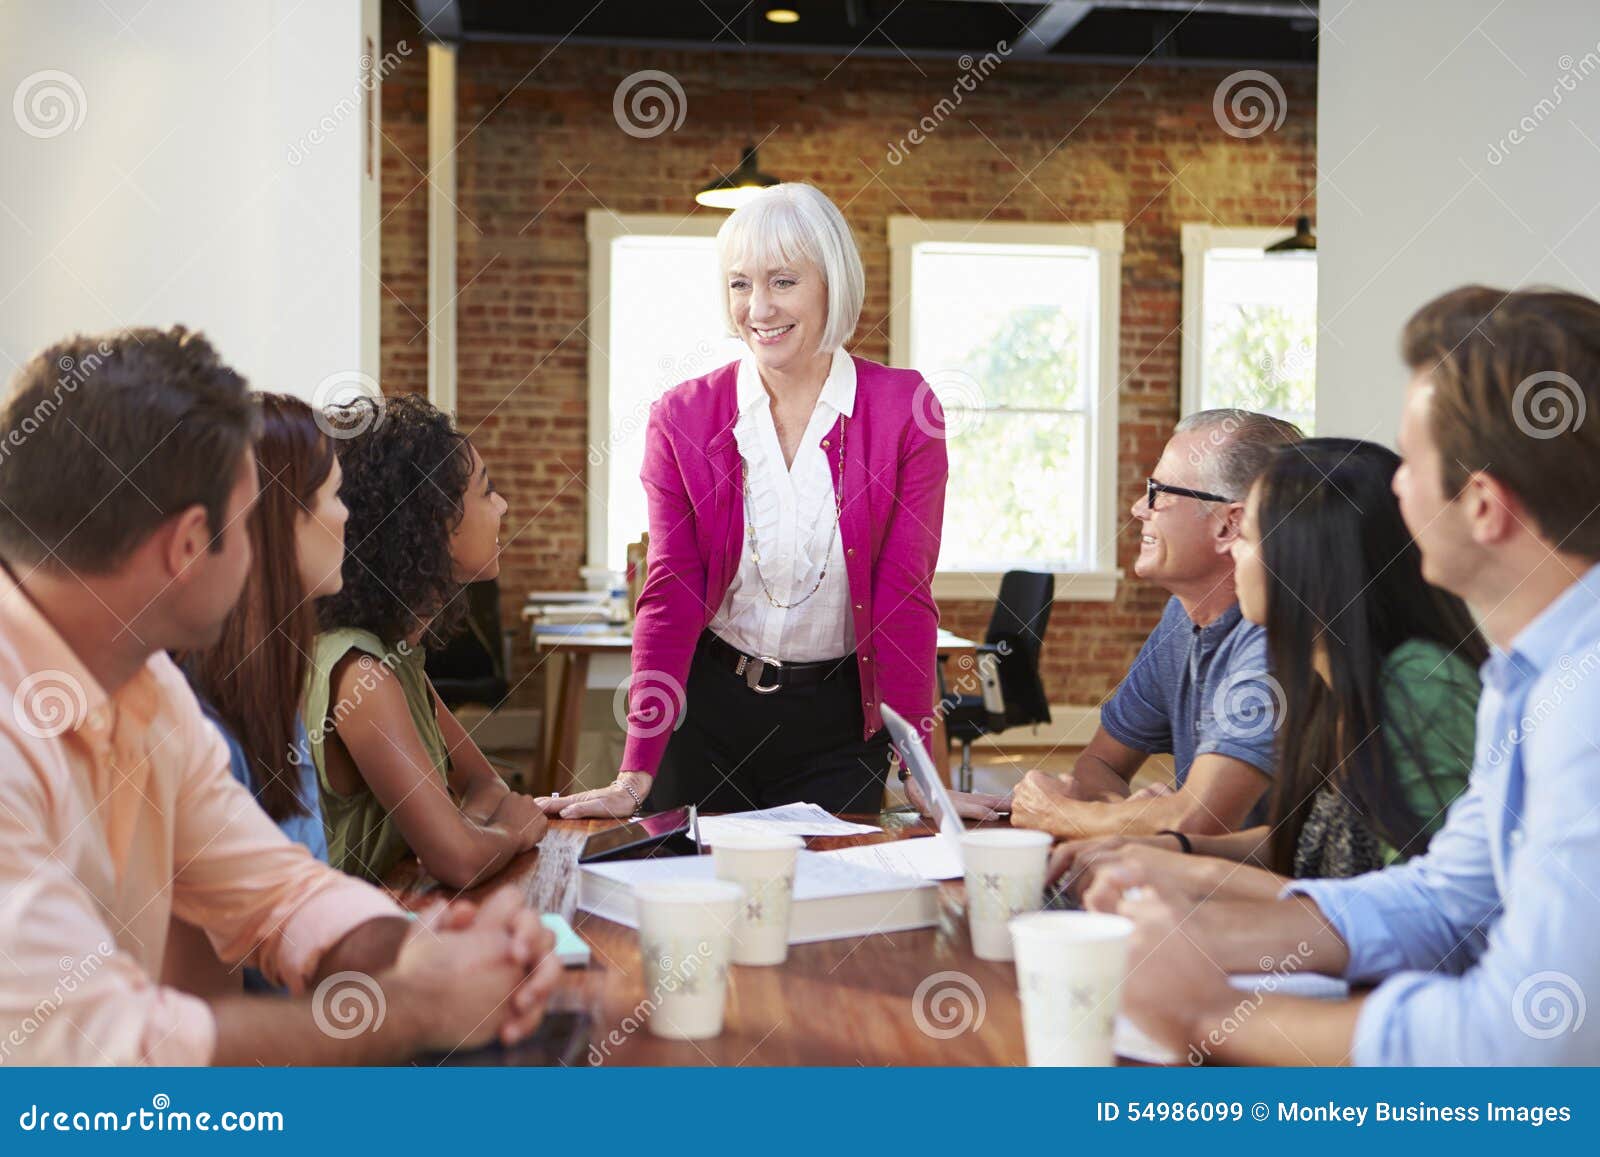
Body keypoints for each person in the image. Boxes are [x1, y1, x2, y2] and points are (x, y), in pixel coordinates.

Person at [0, 327, 561, 1064]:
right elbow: (103, 1058)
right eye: (254, 516)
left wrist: (417, 955)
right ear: (191, 545)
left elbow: (279, 893)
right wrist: (410, 1011)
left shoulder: (146, 683)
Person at [1103, 286, 1600, 1065]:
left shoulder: (1584, 702)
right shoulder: (1528, 673)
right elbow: (1445, 897)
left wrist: (1213, 1008)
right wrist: (1205, 926)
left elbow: (1525, 1042)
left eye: (1414, 462)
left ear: (1482, 508)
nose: (1395, 485)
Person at [538, 182, 947, 820]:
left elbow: (905, 594)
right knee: (691, 905)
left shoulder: (903, 412)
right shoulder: (682, 417)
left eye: (783, 281)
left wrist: (923, 775)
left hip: (839, 725)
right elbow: (670, 589)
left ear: (831, 284)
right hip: (706, 718)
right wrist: (633, 773)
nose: (758, 308)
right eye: (739, 284)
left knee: (826, 909)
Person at [1051, 438, 1484, 903]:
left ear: (1306, 560)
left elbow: (1423, 901)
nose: (1234, 551)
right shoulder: (1320, 676)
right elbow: (1301, 847)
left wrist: (1182, 870)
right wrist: (1161, 849)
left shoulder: (1421, 683)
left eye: (1250, 535)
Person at [927, 409, 1302, 837]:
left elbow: (1200, 820)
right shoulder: (1181, 616)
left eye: (1158, 492)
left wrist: (1069, 815)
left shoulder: (1272, 640)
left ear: (1229, 524)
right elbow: (1100, 763)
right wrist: (1126, 818)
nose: (1139, 507)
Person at [307, 393, 546, 887]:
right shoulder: (362, 674)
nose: (502, 505)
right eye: (486, 491)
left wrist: (468, 826)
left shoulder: (399, 659)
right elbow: (456, 861)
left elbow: (485, 783)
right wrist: (510, 831)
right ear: (431, 521)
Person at [166, 393, 348, 996]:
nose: (348, 515)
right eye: (333, 496)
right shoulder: (199, 728)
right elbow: (212, 1036)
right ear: (277, 518)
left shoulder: (273, 689)